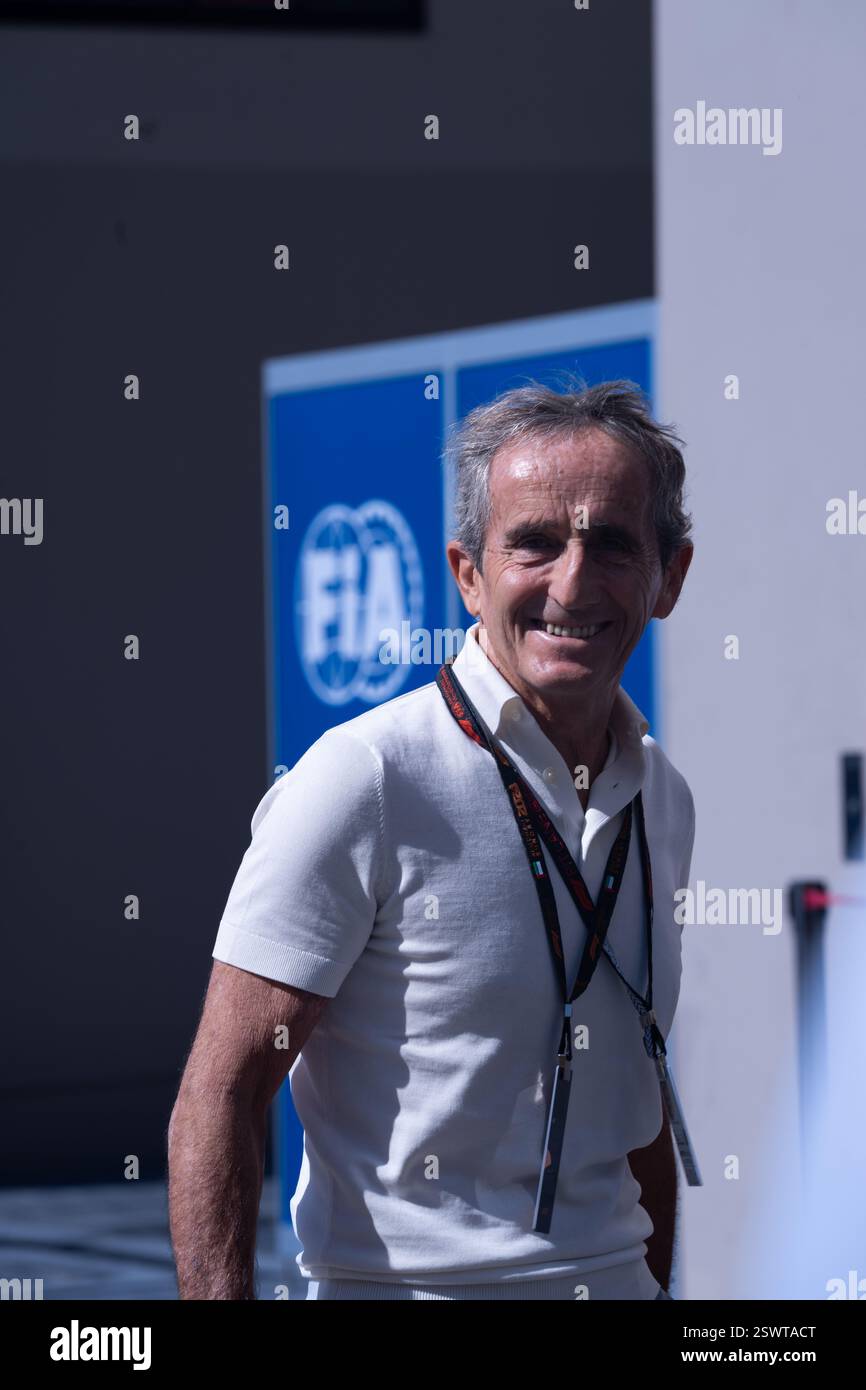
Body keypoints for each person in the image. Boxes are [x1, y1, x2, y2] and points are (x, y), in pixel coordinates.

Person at [168, 378, 695, 1301]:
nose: (572, 583)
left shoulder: (665, 795)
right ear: (466, 573)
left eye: (611, 543)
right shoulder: (365, 777)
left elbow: (635, 1101)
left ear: (670, 577)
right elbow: (221, 1095)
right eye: (533, 543)